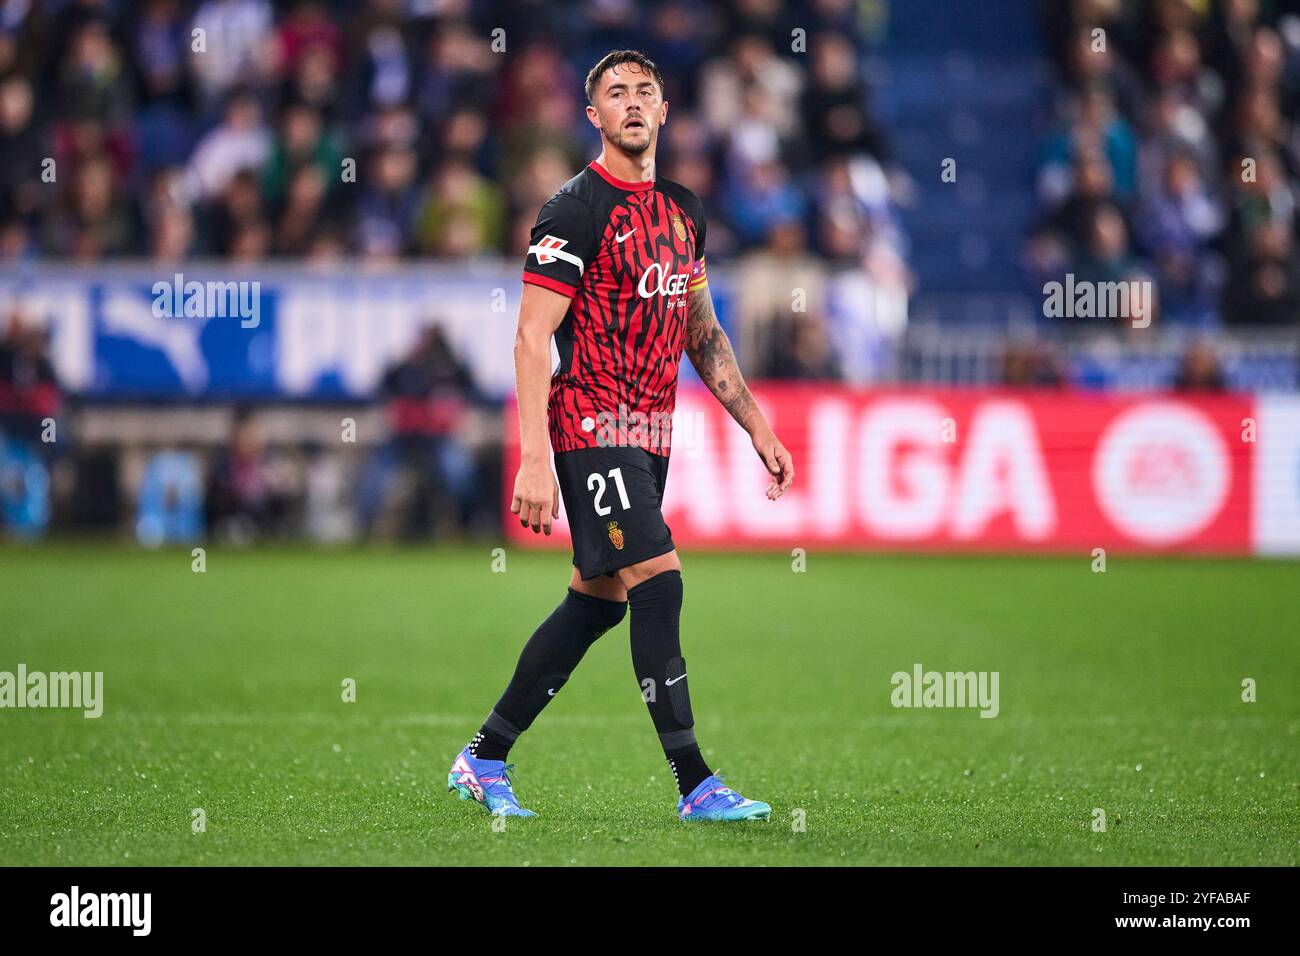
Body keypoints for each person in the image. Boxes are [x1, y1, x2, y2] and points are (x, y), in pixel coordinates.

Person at [448, 50, 794, 822]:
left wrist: (756, 425)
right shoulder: (573, 208)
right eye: (616, 93)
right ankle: (696, 784)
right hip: (587, 425)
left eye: (646, 91)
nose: (632, 102)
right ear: (592, 115)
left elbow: (701, 332)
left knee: (598, 603)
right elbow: (532, 338)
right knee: (661, 582)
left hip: (649, 435)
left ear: (666, 111)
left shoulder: (683, 211)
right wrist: (535, 458)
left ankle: (484, 755)